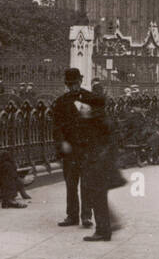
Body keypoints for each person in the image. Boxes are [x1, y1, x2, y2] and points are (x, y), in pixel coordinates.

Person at [51, 67, 95, 229]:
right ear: (66, 84)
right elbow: (56, 127)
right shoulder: (61, 102)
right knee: (71, 184)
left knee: (86, 183)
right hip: (70, 149)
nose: (73, 87)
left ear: (81, 81)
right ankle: (72, 215)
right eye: (70, 84)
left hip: (86, 147)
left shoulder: (90, 98)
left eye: (75, 83)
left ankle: (86, 216)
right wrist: (61, 143)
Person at [77, 91, 123, 242]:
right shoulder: (100, 119)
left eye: (85, 105)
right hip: (102, 164)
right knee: (98, 196)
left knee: (97, 197)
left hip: (99, 165)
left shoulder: (97, 121)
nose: (82, 108)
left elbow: (97, 144)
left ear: (92, 107)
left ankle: (103, 230)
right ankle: (107, 227)